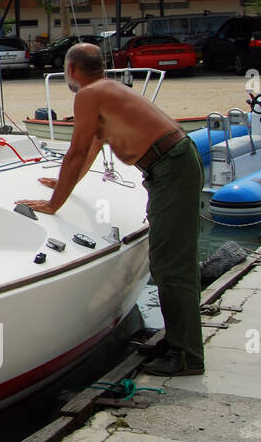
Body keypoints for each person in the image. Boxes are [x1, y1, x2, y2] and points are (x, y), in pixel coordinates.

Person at [17, 43, 204, 376]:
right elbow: (91, 148)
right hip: (171, 164)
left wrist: (54, 203)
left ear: (72, 70)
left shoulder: (89, 94)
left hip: (171, 167)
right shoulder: (109, 90)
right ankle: (176, 342)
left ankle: (187, 355)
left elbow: (75, 152)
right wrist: (61, 184)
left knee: (172, 264)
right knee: (166, 260)